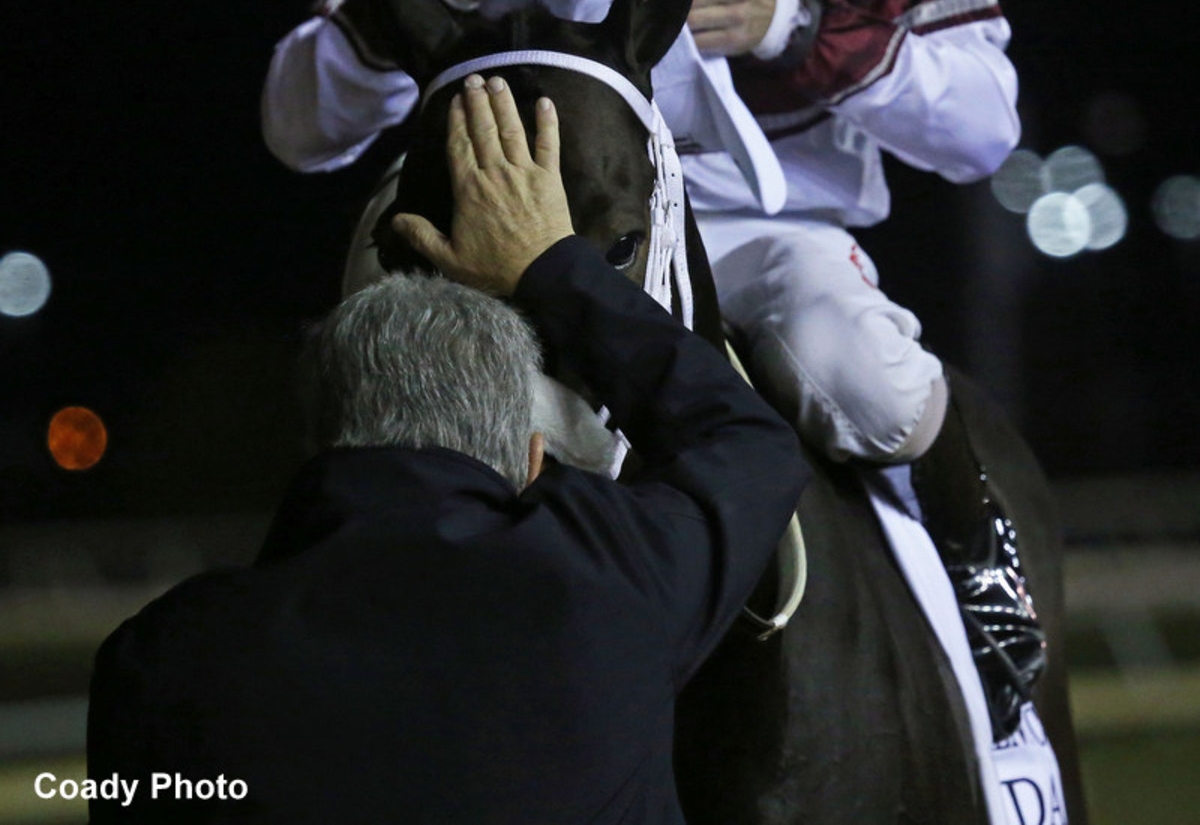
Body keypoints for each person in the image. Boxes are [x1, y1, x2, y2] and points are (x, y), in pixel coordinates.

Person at [261, 0, 1042, 739]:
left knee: (868, 378)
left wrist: (795, 24)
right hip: (508, 222)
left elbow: (984, 121)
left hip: (754, 223)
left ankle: (987, 593)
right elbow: (296, 124)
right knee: (371, 348)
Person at [87, 76, 806, 823]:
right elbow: (746, 439)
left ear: (321, 442)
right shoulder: (610, 581)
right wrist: (551, 265)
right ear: (533, 461)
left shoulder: (156, 658)